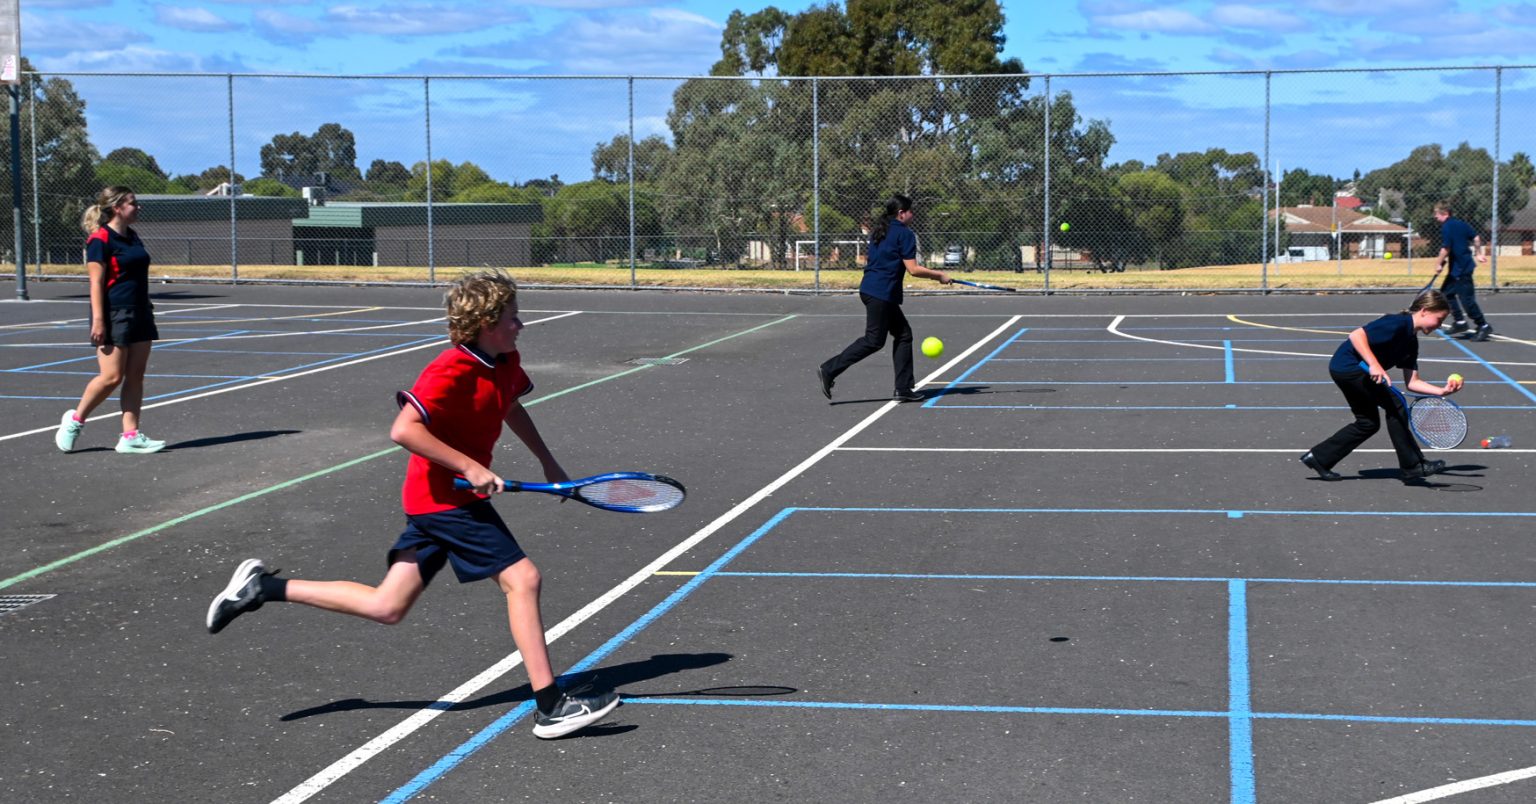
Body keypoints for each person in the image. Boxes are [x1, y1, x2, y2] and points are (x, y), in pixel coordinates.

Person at [205, 270, 620, 740]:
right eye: (512, 317)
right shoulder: (450, 368)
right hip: (444, 499)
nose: (520, 324)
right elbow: (404, 430)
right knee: (523, 579)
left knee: (388, 606)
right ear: (485, 323)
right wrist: (469, 466)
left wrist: (549, 463)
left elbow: (509, 406)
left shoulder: (504, 361)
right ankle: (550, 706)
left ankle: (263, 589)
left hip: (440, 500)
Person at [1300, 290, 1464, 483]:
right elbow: (1356, 335)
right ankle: (1412, 466)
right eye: (1439, 319)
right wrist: (1374, 364)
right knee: (1396, 405)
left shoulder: (1411, 341)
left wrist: (1442, 391)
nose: (1439, 326)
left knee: (1368, 423)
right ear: (1425, 310)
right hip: (1349, 367)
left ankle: (1319, 458)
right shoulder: (1396, 323)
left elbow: (1412, 382)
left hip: (1351, 370)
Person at [55, 186, 166, 454]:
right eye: (133, 203)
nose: (138, 208)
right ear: (117, 208)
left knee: (136, 375)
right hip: (114, 313)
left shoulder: (133, 237)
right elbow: (96, 283)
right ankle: (75, 420)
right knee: (111, 376)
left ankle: (130, 435)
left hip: (140, 311)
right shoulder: (100, 240)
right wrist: (99, 320)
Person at [817, 194, 951, 403]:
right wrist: (940, 275)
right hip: (881, 293)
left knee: (904, 334)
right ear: (901, 213)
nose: (912, 215)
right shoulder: (905, 234)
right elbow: (913, 270)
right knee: (874, 341)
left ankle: (903, 388)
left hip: (871, 289)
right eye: (910, 211)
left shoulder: (881, 229)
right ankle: (829, 369)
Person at [1432, 201, 1492, 342]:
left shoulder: (1447, 227)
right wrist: (1478, 253)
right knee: (1446, 293)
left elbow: (1446, 248)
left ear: (1445, 214)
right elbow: (1476, 238)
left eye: (1437, 214)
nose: (1435, 217)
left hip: (1462, 269)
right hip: (1456, 270)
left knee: (1467, 301)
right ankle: (1460, 322)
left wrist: (1438, 263)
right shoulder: (1462, 224)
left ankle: (1483, 325)